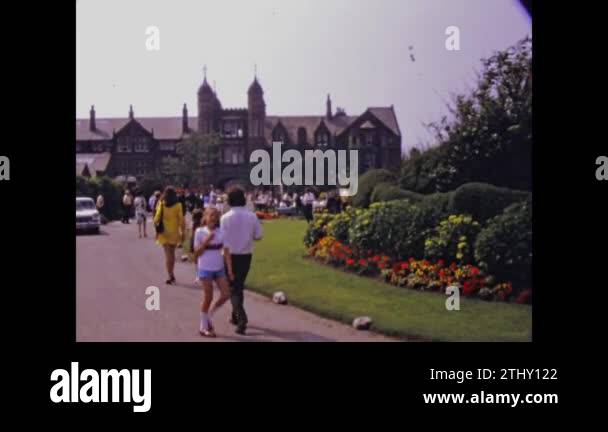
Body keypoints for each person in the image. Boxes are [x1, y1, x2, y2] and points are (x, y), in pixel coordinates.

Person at [220, 186, 263, 335]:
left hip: (229, 255)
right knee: (238, 286)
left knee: (233, 288)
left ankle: (241, 319)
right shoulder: (251, 216)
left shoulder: (225, 218)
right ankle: (235, 315)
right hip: (245, 255)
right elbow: (258, 235)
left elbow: (222, 241)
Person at [193, 207, 233, 338]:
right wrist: (206, 241)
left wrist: (230, 270)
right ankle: (203, 327)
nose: (214, 219)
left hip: (219, 268)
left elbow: (226, 252)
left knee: (226, 294)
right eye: (211, 216)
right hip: (205, 268)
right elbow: (196, 253)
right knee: (208, 297)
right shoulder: (199, 232)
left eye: (216, 216)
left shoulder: (222, 232)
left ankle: (209, 315)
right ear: (205, 217)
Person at [154, 186, 185, 285]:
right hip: (174, 232)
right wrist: (183, 231)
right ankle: (171, 273)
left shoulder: (162, 204)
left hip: (164, 233)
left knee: (167, 255)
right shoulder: (178, 205)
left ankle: (170, 275)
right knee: (172, 254)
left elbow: (156, 218)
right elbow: (181, 220)